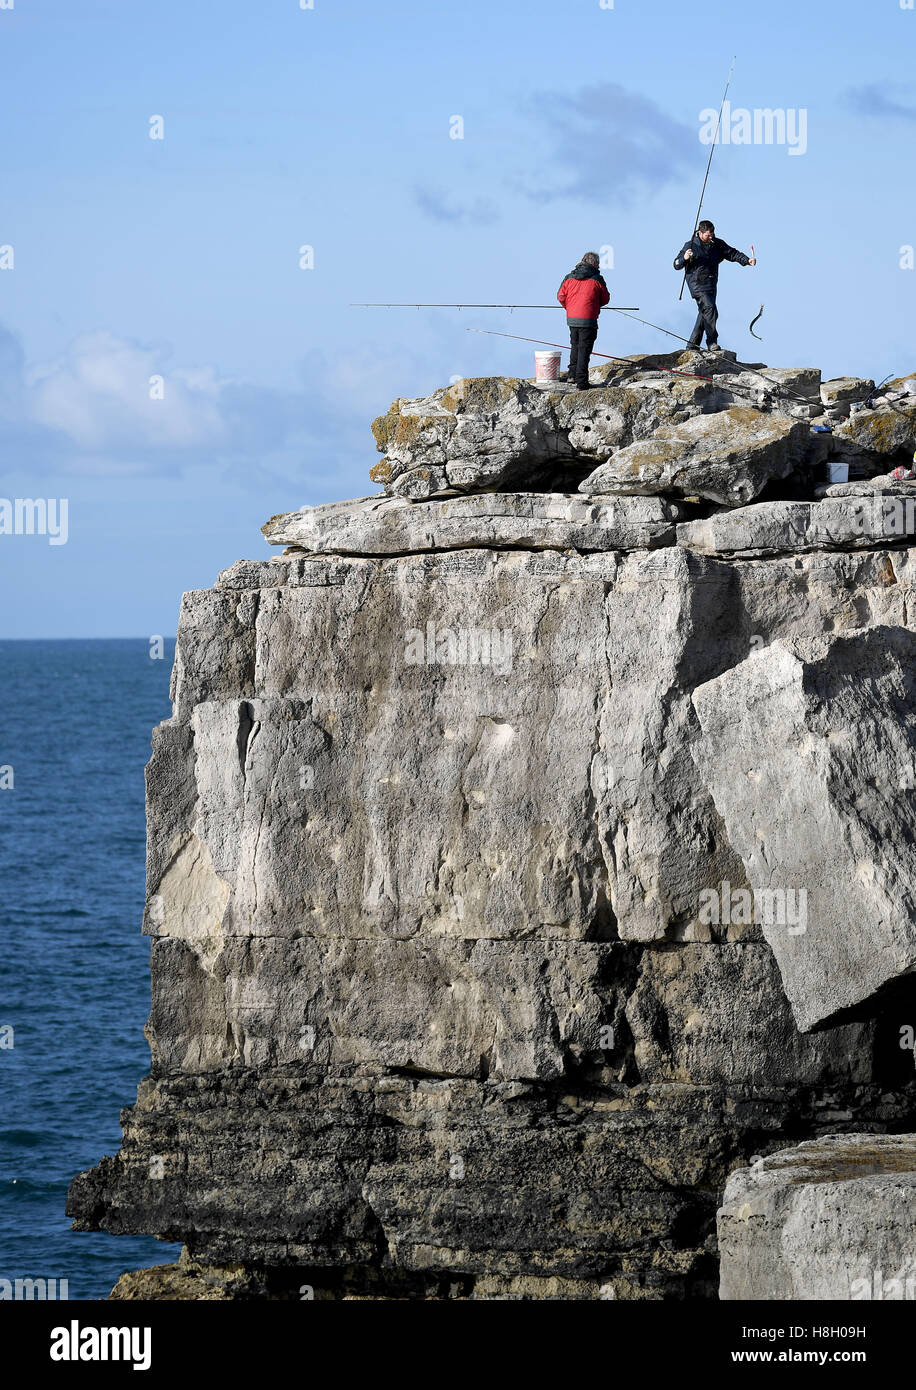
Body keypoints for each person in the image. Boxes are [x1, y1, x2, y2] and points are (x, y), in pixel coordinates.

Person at [673, 220, 756, 351]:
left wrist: (747, 260)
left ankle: (692, 346)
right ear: (700, 233)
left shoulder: (717, 244)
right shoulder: (690, 245)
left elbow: (732, 253)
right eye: (708, 235)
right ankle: (712, 342)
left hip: (711, 283)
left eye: (712, 234)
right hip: (697, 284)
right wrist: (685, 257)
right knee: (711, 310)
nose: (711, 237)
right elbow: (676, 264)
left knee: (705, 312)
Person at [557, 251, 610, 390]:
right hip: (588, 319)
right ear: (594, 263)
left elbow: (561, 296)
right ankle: (582, 382)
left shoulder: (569, 277)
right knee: (584, 350)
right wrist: (594, 304)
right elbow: (605, 299)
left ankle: (572, 375)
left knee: (575, 346)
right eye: (598, 263)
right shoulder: (597, 279)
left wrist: (569, 307)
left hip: (572, 318)